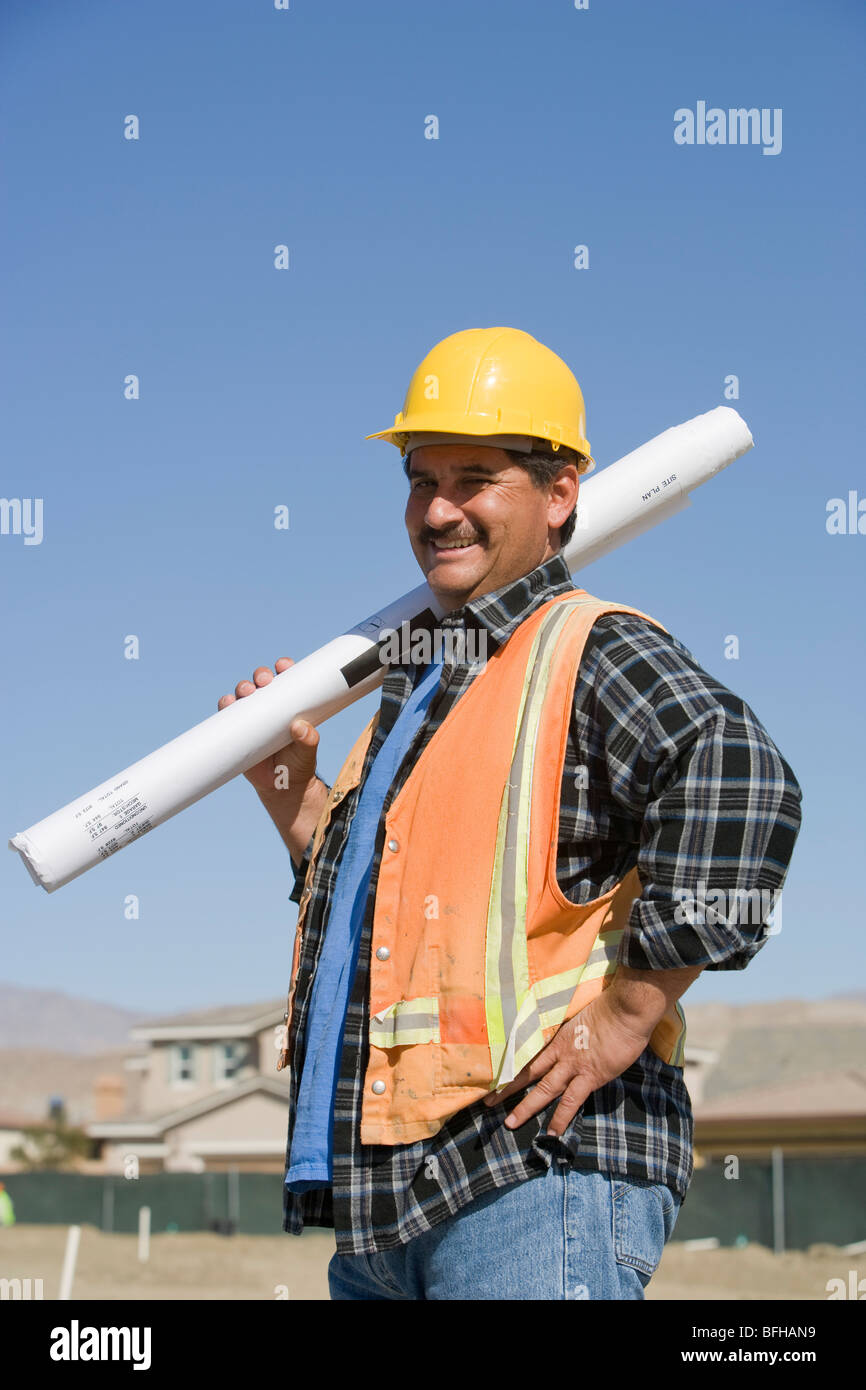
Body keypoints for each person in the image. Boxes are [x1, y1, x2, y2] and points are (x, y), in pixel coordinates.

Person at [219, 327, 802, 1300]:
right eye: (420, 479)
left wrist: (628, 1011)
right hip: (387, 1199)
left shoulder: (584, 645)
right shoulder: (415, 690)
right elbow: (386, 906)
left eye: (473, 477)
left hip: (530, 1178)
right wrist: (288, 789)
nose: (437, 509)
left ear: (559, 493)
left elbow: (741, 781)